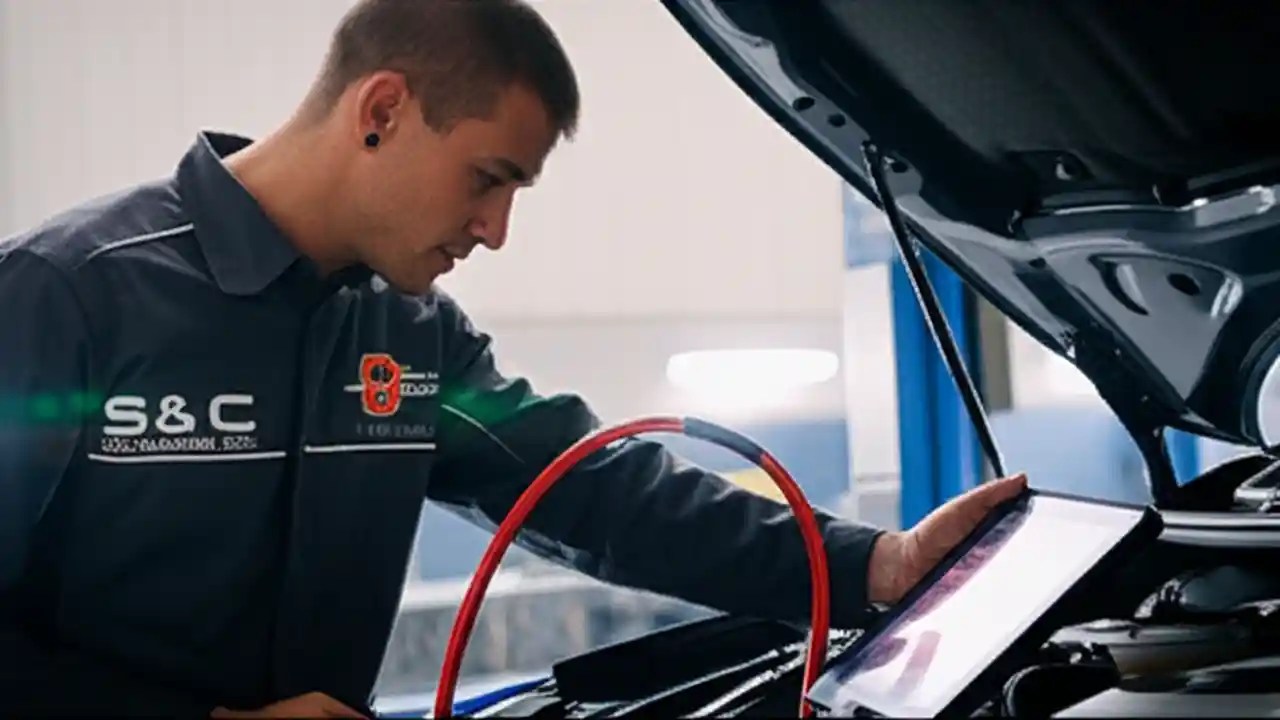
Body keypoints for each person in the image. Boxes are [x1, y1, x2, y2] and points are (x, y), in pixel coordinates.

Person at [0, 0, 1027, 716]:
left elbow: (593, 495)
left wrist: (871, 568)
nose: (494, 232)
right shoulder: (71, 293)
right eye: (487, 179)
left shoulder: (407, 342)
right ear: (382, 110)